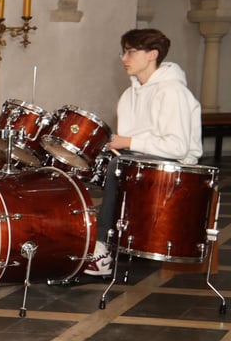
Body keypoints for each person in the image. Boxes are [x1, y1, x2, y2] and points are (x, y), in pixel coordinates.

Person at [84, 27, 203, 276]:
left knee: (118, 166)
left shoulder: (172, 91)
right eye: (123, 52)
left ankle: (103, 247)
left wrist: (128, 142)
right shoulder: (129, 95)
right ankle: (83, 236)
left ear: (152, 55)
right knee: (96, 161)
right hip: (142, 161)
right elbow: (128, 145)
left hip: (178, 169)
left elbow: (178, 147)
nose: (123, 58)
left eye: (131, 52)